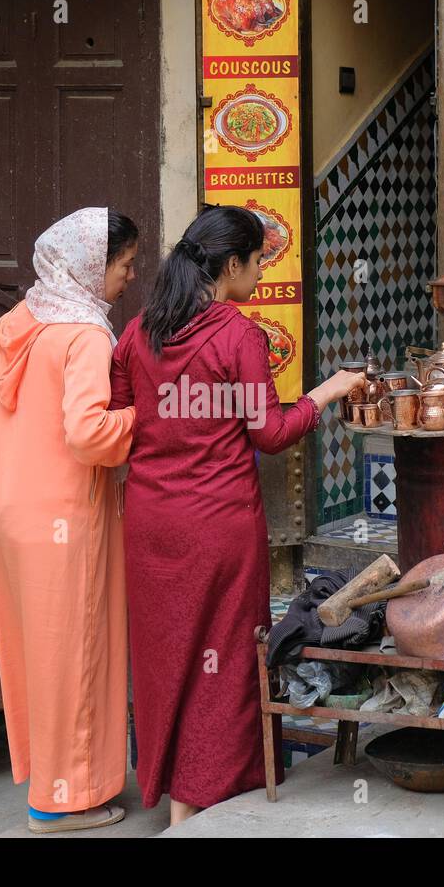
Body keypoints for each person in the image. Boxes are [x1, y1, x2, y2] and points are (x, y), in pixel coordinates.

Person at [109, 205, 361, 826]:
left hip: (148, 523)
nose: (258, 274)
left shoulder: (139, 332)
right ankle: (199, 799)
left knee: (167, 655)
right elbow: (271, 433)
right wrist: (327, 392)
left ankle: (172, 790)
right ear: (230, 265)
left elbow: (119, 418)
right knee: (221, 657)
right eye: (256, 262)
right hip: (218, 525)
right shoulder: (237, 336)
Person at [0, 206, 139, 833]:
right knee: (74, 655)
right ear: (90, 268)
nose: (129, 279)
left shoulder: (22, 319)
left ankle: (50, 784)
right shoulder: (87, 336)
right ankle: (60, 801)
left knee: (33, 655)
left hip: (8, 508)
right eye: (123, 267)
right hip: (64, 520)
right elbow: (88, 433)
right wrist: (142, 418)